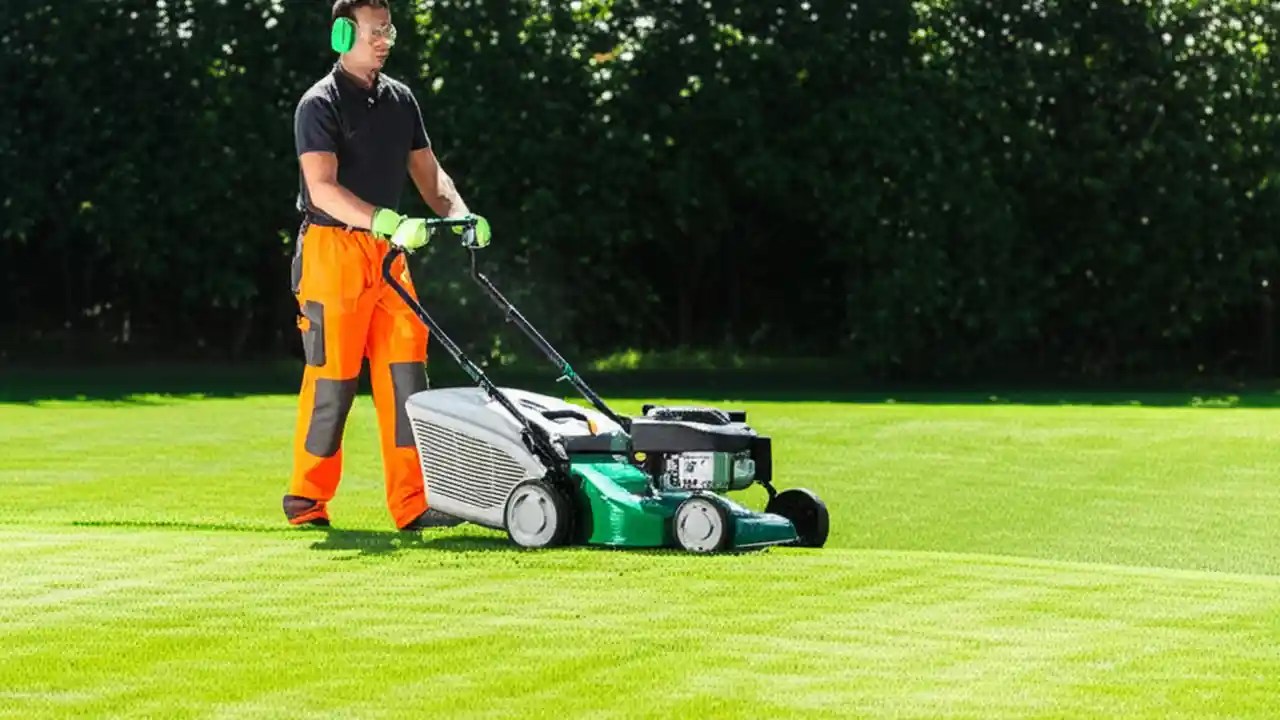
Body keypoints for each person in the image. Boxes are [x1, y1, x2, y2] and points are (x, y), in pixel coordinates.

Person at [283, 0, 483, 530]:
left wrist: (460, 215)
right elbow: (322, 189)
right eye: (374, 31)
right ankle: (307, 498)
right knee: (333, 380)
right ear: (343, 34)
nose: (385, 40)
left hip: (389, 257)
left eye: (389, 30)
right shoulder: (319, 104)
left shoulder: (400, 100)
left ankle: (414, 502)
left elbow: (430, 175)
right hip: (333, 253)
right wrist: (384, 220)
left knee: (406, 378)